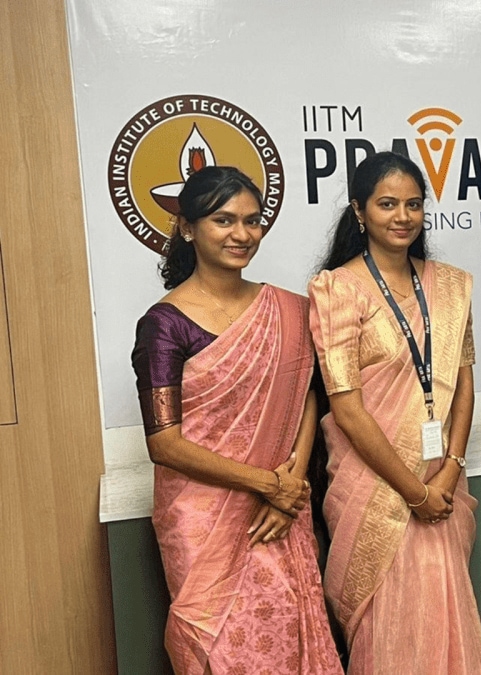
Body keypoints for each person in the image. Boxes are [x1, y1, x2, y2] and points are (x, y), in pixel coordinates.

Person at [131, 166, 342, 674]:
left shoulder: (289, 310)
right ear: (188, 228)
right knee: (219, 649)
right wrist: (268, 484)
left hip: (282, 510)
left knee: (290, 639)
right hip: (202, 520)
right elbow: (164, 444)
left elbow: (308, 396)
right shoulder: (165, 325)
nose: (242, 234)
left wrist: (291, 486)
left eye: (252, 220)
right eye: (223, 220)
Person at [308, 151, 481, 674]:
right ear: (360, 211)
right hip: (376, 488)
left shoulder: (451, 287)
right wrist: (414, 493)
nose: (403, 216)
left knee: (442, 617)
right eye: (387, 204)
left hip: (441, 483)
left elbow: (463, 384)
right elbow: (347, 409)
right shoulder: (337, 290)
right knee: (388, 627)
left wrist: (450, 470)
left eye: (414, 204)